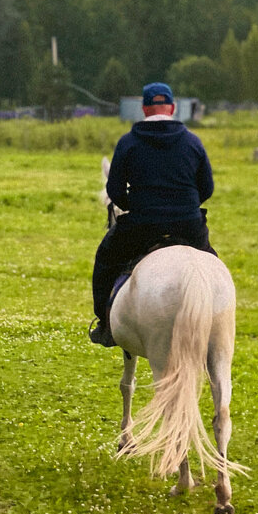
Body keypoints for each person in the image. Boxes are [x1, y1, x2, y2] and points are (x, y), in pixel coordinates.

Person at [89, 81, 218, 347]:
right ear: (172, 108)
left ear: (144, 109)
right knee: (212, 266)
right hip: (188, 226)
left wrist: (135, 205)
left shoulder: (128, 143)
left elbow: (114, 189)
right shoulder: (193, 142)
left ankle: (105, 324)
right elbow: (207, 188)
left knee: (105, 260)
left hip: (142, 225)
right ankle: (218, 318)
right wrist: (186, 205)